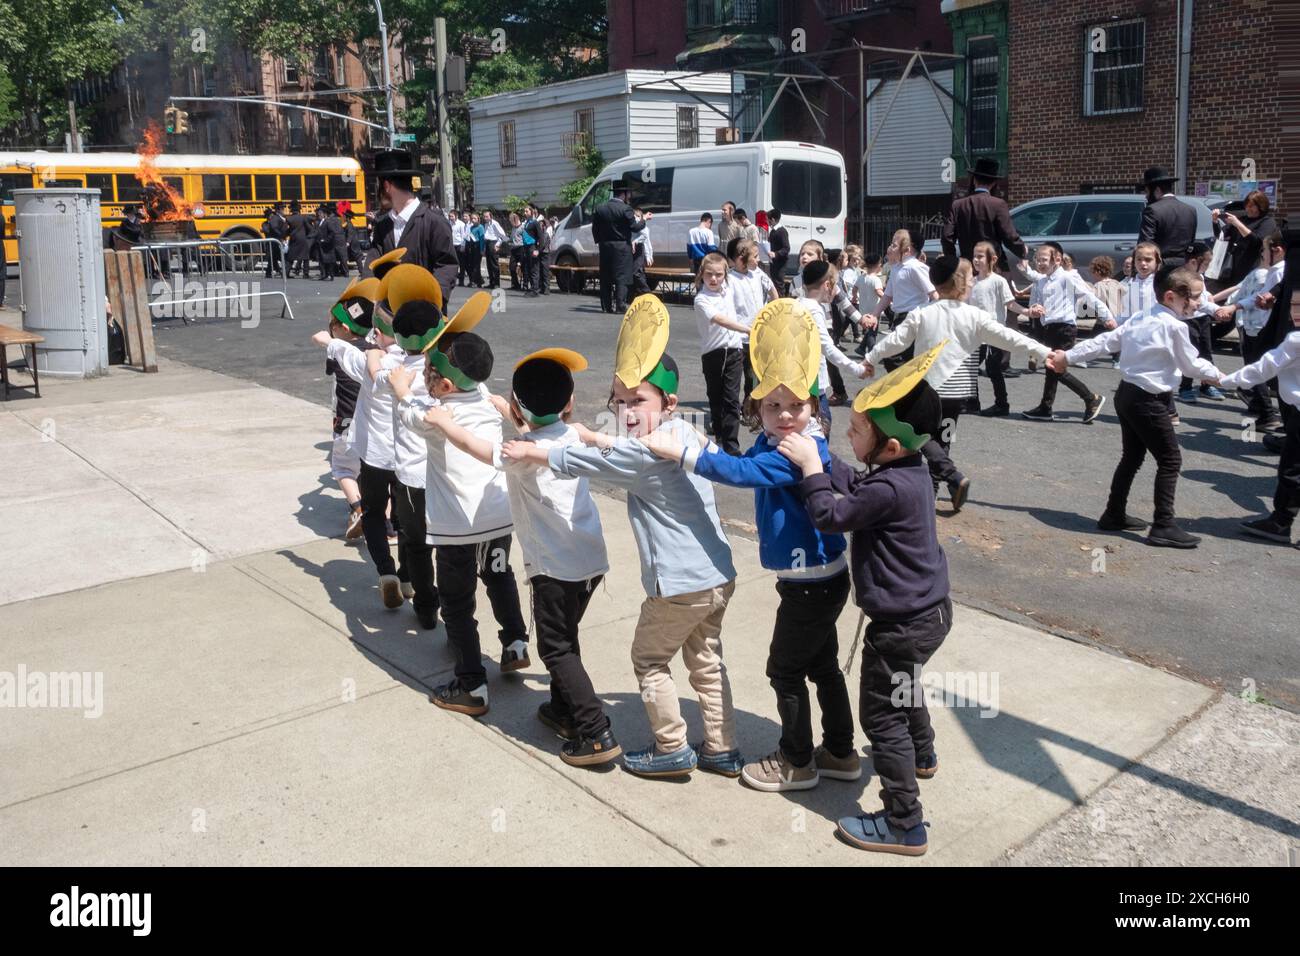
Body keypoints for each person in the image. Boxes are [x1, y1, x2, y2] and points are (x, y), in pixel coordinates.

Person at [502, 297, 742, 780]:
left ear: (668, 403)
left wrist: (535, 448)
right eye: (621, 400)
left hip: (677, 586)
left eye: (639, 401)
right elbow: (622, 448)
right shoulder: (687, 433)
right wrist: (593, 434)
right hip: (718, 577)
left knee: (649, 660)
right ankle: (721, 747)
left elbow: (593, 463)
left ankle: (671, 747)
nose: (627, 411)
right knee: (706, 661)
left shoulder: (645, 457)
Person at [640, 300, 858, 792]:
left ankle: (797, 762)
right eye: (772, 406)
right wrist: (711, 443)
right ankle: (841, 753)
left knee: (783, 672)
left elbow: (740, 472)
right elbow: (749, 453)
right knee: (821, 665)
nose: (784, 416)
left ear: (814, 408)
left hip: (810, 585)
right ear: (757, 408)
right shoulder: (781, 440)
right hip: (817, 581)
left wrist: (687, 453)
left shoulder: (800, 451)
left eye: (795, 407)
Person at [778, 346, 952, 856]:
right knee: (907, 687)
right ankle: (923, 754)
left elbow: (831, 514)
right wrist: (826, 458)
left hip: (898, 625)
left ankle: (905, 822)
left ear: (891, 446)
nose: (849, 436)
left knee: (882, 719)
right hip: (931, 614)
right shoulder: (910, 472)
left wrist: (812, 469)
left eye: (857, 432)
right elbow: (859, 484)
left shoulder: (889, 488)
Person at [419, 348, 620, 765]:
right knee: (566, 635)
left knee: (556, 649)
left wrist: (445, 421)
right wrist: (515, 414)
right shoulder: (571, 434)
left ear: (514, 406)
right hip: (590, 562)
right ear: (569, 403)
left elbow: (478, 448)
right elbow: (546, 429)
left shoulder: (521, 452)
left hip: (554, 568)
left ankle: (595, 729)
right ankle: (563, 711)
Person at [389, 302, 532, 717]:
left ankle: (472, 684)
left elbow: (408, 409)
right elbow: (493, 398)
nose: (422, 378)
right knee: (500, 577)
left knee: (456, 602)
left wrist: (401, 387)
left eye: (429, 373)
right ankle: (515, 642)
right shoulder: (484, 396)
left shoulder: (437, 414)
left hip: (457, 529)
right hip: (497, 515)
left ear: (446, 386)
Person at [1048, 265, 1225, 549]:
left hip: (1127, 395)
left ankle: (1113, 514)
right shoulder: (1176, 326)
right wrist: (1224, 377)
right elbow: (1191, 364)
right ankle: (1163, 525)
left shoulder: (1142, 316)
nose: (1197, 303)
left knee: (1132, 457)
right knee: (1170, 460)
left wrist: (1068, 356)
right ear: (1171, 297)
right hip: (1148, 401)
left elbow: (1106, 341)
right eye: (1193, 297)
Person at [867, 256, 1051, 510]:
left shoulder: (922, 313)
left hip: (927, 391)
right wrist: (1044, 352)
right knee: (943, 440)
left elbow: (894, 342)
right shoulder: (976, 315)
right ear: (962, 284)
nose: (974, 282)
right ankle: (940, 492)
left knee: (916, 434)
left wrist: (870, 357)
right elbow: (1009, 337)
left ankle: (948, 480)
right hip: (959, 393)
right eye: (971, 277)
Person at [1219, 308, 1300, 545]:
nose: (1295, 311)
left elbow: (1264, 368)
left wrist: (1226, 380)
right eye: (1293, 304)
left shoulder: (1295, 340)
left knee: (1292, 471)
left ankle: (1280, 523)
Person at [1020, 241, 1109, 423]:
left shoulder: (1066, 278)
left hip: (1065, 329)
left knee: (1056, 369)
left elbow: (1088, 296)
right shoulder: (1043, 281)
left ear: (1058, 259)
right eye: (1037, 260)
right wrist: (1036, 308)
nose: (1040, 263)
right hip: (1049, 328)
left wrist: (1106, 316)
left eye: (1044, 259)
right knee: (1051, 369)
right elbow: (1038, 301)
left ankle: (1091, 398)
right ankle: (1045, 407)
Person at [1214, 230, 1287, 433]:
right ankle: (1273, 416)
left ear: (1277, 251)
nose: (1262, 255)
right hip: (1265, 328)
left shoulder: (1280, 271)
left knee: (1263, 371)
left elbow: (1260, 298)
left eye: (1264, 250)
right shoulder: (1276, 271)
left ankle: (1268, 415)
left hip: (1265, 329)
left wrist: (1234, 307)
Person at [366, 148, 459, 307]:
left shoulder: (435, 223)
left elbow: (447, 266)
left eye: (378, 185)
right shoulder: (383, 225)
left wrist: (431, 301)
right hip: (389, 316)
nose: (377, 192)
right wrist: (366, 296)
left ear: (387, 186)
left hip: (424, 317)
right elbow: (372, 266)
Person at [694, 253, 751, 456]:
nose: (714, 279)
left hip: (734, 351)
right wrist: (747, 329)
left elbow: (746, 269)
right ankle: (718, 436)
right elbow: (720, 319)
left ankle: (732, 446)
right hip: (713, 353)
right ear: (702, 274)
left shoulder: (729, 288)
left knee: (731, 399)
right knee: (715, 398)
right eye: (709, 274)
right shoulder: (701, 299)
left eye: (718, 274)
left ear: (725, 275)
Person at [799, 260, 868, 419]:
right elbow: (827, 347)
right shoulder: (814, 310)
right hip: (814, 385)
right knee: (822, 428)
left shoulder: (799, 303)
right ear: (827, 285)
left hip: (801, 379)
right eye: (835, 284)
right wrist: (856, 368)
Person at [971, 241, 1032, 417]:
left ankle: (1002, 404)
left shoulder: (999, 281)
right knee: (969, 367)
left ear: (993, 259)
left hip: (993, 333)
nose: (976, 260)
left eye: (980, 256)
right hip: (975, 334)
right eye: (974, 256)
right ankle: (972, 402)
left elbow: (1010, 303)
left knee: (993, 368)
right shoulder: (972, 282)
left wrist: (1027, 311)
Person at [940, 157, 1027, 266]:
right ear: (994, 183)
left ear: (974, 180)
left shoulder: (957, 205)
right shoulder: (998, 204)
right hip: (994, 266)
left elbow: (947, 237)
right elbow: (1009, 236)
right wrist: (1022, 251)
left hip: (968, 266)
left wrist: (952, 260)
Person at [727, 238, 779, 398]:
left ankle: (751, 405)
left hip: (758, 335)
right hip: (739, 337)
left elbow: (771, 289)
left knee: (756, 373)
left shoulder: (757, 274)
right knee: (739, 375)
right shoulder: (730, 279)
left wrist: (774, 310)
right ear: (741, 258)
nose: (759, 260)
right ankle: (737, 407)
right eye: (755, 256)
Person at [591, 184, 651, 313]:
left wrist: (599, 241)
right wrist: (644, 219)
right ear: (623, 194)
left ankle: (606, 306)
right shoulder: (626, 209)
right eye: (628, 193)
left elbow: (594, 228)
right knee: (621, 276)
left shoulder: (601, 208)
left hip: (605, 246)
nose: (629, 196)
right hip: (622, 247)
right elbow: (634, 227)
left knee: (606, 276)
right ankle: (620, 305)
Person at [1137, 166, 1196, 266]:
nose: (1146, 196)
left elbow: (1146, 243)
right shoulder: (1190, 210)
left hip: (1161, 265)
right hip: (1184, 266)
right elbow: (1191, 240)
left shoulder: (1152, 210)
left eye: (1147, 192)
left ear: (1157, 190)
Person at [629, 207, 654, 298]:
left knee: (637, 272)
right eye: (635, 216)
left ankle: (647, 293)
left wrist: (649, 256)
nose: (636, 218)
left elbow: (647, 242)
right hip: (633, 249)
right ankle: (636, 295)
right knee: (637, 273)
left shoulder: (643, 227)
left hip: (639, 249)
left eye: (638, 216)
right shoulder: (633, 225)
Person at [261, 202, 288, 278]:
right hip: (273, 242)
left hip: (275, 241)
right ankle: (282, 272)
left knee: (274, 258)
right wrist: (281, 236)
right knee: (277, 257)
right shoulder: (267, 223)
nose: (271, 216)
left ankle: (272, 272)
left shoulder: (278, 218)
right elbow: (271, 229)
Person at [286, 201, 313, 277]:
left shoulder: (289, 218)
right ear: (299, 209)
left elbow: (287, 230)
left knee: (290, 257)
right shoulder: (303, 217)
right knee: (305, 257)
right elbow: (309, 228)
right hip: (303, 239)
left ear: (291, 209)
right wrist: (308, 235)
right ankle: (306, 274)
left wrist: (286, 235)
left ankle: (286, 273)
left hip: (293, 239)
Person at [481, 210, 507, 289]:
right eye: (484, 216)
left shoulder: (495, 224)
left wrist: (498, 245)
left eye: (487, 216)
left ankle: (496, 283)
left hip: (493, 243)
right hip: (488, 243)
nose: (485, 218)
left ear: (491, 216)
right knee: (489, 264)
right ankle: (491, 282)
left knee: (494, 264)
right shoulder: (486, 224)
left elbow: (502, 235)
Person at [767, 209, 790, 290]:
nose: (767, 222)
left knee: (779, 284)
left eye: (768, 220)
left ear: (772, 220)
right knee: (774, 283)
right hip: (773, 262)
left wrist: (776, 254)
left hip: (780, 263)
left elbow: (786, 248)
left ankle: (781, 300)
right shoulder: (773, 231)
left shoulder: (782, 231)